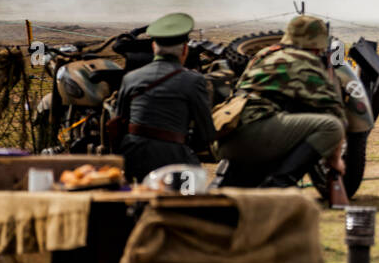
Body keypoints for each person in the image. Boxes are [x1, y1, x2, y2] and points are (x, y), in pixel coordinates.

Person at [217, 15, 347, 188]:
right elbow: (336, 114)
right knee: (332, 127)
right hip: (257, 133)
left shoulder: (263, 54)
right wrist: (335, 160)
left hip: (226, 136)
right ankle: (277, 186)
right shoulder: (305, 61)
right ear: (317, 45)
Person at [114, 13, 216, 182]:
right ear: (185, 49)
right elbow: (206, 133)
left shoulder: (131, 78)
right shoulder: (193, 80)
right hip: (174, 158)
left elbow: (120, 121)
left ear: (154, 47)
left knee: (136, 199)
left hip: (132, 156)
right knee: (187, 199)